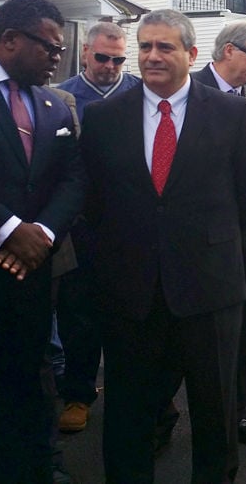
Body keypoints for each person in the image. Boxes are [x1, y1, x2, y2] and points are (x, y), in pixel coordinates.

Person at [80, 9, 246, 482]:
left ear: (189, 53)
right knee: (128, 414)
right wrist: (109, 274)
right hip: (133, 295)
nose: (152, 56)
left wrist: (224, 260)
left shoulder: (231, 113)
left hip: (210, 293)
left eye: (164, 47)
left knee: (214, 412)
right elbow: (91, 207)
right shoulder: (105, 117)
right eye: (144, 47)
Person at [0, 0, 84, 483]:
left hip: (30, 277)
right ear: (9, 40)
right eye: (50, 47)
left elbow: (74, 178)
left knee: (26, 388)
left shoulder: (51, 103)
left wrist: (44, 234)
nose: (58, 57)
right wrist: (9, 230)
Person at [192, 21, 246, 444]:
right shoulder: (189, 92)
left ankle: (236, 409)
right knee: (190, 337)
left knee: (241, 334)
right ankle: (164, 413)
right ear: (228, 50)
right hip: (198, 241)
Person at [55, 22, 142, 434]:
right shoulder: (62, 97)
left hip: (133, 224)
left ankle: (135, 398)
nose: (110, 66)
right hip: (84, 225)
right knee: (80, 317)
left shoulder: (141, 95)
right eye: (103, 57)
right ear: (85, 52)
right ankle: (78, 393)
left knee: (134, 316)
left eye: (119, 58)